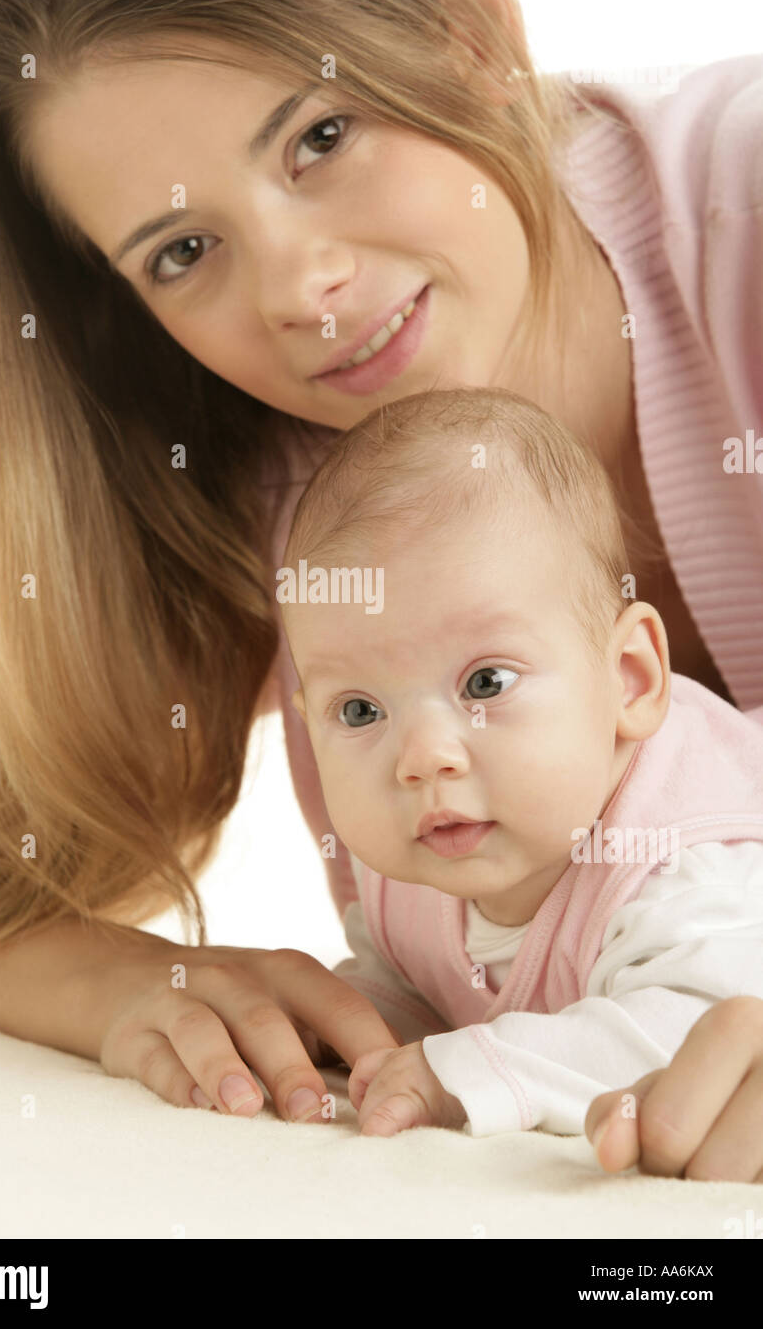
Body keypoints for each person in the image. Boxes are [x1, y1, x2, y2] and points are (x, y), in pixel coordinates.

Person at [0, 0, 761, 1179]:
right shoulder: (258, 484)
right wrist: (125, 982)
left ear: (468, 26)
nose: (305, 290)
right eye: (181, 253)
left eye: (317, 136)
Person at [276, 384, 763, 1140]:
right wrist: (343, 1030)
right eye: (361, 712)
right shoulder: (419, 852)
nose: (423, 758)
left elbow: (702, 1031)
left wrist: (475, 1068)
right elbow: (419, 984)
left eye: (486, 683)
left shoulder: (679, 863)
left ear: (629, 679)